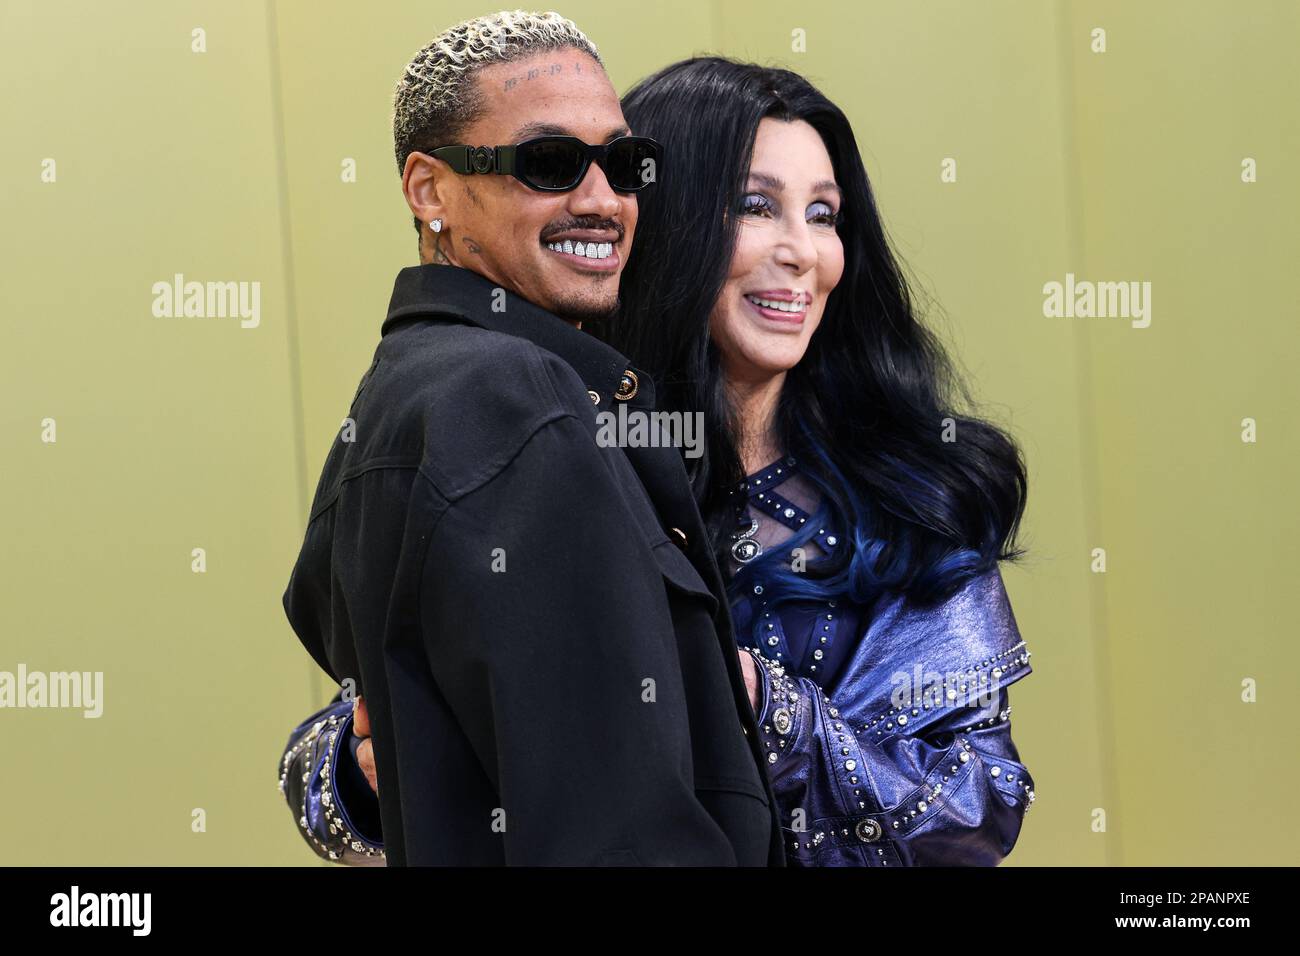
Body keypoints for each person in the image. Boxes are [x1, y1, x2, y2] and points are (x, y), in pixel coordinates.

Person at [283, 52, 1038, 867]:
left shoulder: (906, 492)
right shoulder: (554, 442)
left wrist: (744, 702)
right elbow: (342, 744)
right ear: (660, 219)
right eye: (756, 207)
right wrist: (367, 772)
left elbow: (979, 807)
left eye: (824, 216)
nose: (801, 253)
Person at [278, 14, 783, 867]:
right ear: (428, 189)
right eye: (548, 164)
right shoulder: (515, 399)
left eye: (624, 164)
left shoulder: (407, 398)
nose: (603, 199)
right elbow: (617, 837)